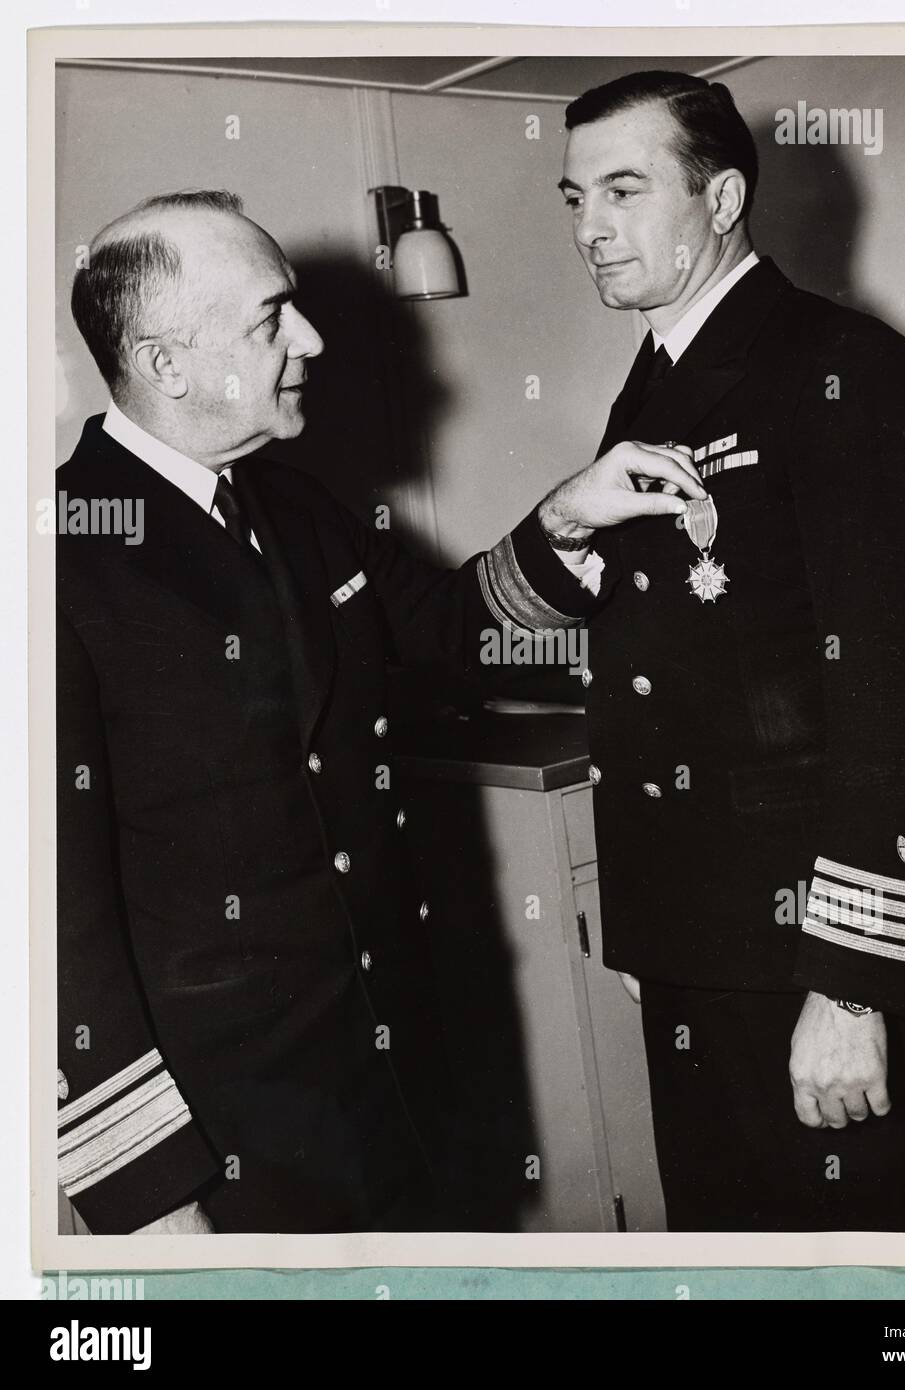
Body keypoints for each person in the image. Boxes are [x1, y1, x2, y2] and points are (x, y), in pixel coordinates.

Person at [56, 189, 703, 1234]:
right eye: (271, 319)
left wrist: (567, 514)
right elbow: (51, 926)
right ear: (165, 362)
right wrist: (149, 1194)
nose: (308, 339)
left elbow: (452, 632)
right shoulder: (57, 559)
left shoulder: (293, 504)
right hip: (227, 1138)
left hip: (388, 1077)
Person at [556, 72, 905, 1230]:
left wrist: (852, 984)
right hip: (705, 938)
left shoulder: (841, 368)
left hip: (813, 949)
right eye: (574, 196)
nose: (589, 226)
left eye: (624, 189)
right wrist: (656, 920)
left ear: (722, 195)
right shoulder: (658, 379)